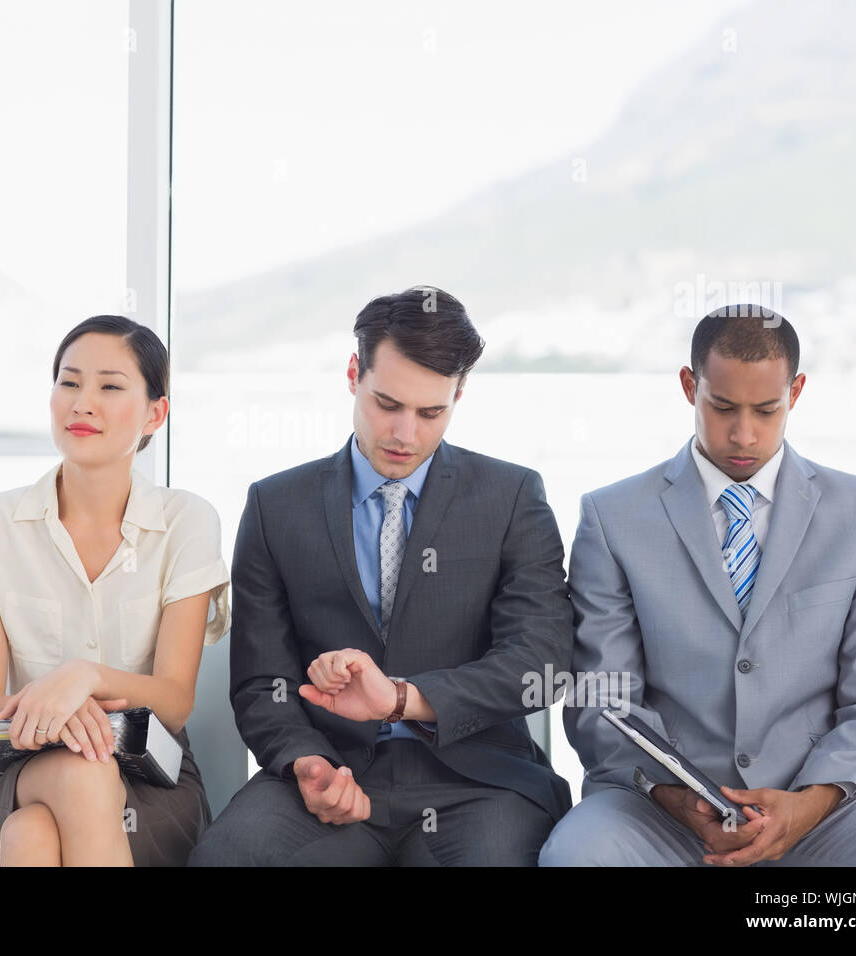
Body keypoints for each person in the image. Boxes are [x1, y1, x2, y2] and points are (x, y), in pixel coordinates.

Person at [189, 286, 573, 867]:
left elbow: (540, 661)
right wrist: (307, 764)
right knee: (228, 859)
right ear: (353, 374)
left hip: (478, 781)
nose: (405, 434)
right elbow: (260, 679)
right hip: (328, 770)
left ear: (459, 394)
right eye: (387, 404)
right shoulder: (275, 505)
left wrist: (402, 700)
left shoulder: (512, 497)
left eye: (431, 412)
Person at [540, 305, 856, 866]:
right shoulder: (612, 517)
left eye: (766, 410)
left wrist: (807, 807)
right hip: (661, 815)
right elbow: (604, 701)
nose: (743, 433)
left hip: (827, 814)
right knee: (578, 855)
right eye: (721, 407)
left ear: (795, 393)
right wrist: (682, 801)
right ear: (688, 386)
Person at [0, 314, 230, 866]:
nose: (82, 403)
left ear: (156, 413)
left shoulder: (187, 522)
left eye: (109, 385)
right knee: (80, 772)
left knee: (31, 836)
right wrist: (63, 717)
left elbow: (174, 700)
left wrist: (85, 679)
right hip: (28, 770)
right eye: (69, 381)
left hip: (154, 782)